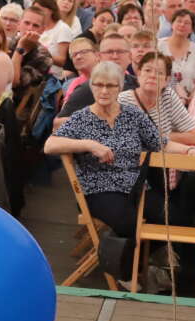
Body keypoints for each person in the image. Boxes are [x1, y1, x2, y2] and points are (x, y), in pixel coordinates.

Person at [44, 61, 161, 277]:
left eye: (110, 85)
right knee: (130, 223)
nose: (104, 91)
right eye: (98, 85)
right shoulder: (82, 118)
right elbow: (49, 145)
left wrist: (191, 150)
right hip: (99, 189)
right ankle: (126, 272)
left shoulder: (133, 115)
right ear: (91, 87)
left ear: (120, 88)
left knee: (170, 216)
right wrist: (89, 144)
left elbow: (159, 143)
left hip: (135, 186)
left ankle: (133, 264)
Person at [119, 51, 195, 152]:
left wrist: (158, 137)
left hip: (163, 164)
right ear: (139, 74)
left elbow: (194, 136)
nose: (153, 76)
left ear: (167, 80)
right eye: (148, 70)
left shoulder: (167, 95)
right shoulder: (124, 100)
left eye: (159, 73)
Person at [158, 9, 195, 103]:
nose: (182, 25)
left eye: (187, 23)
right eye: (179, 21)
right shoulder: (158, 46)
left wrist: (194, 95)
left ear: (192, 29)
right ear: (172, 24)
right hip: (162, 102)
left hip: (189, 102)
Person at [30, 0, 73, 69]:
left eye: (40, 10)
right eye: (35, 10)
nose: (37, 13)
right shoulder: (36, 26)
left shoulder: (62, 29)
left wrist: (43, 55)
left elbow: (62, 60)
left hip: (52, 75)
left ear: (51, 10)